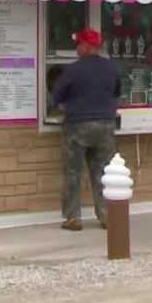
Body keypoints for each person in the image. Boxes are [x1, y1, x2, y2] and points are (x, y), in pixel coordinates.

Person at [50, 28, 121, 231]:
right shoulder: (111, 68)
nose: (77, 48)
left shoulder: (73, 70)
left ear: (87, 46)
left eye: (79, 44)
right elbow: (117, 92)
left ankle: (73, 217)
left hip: (77, 125)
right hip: (105, 125)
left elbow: (56, 96)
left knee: (72, 172)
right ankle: (106, 215)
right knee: (104, 172)